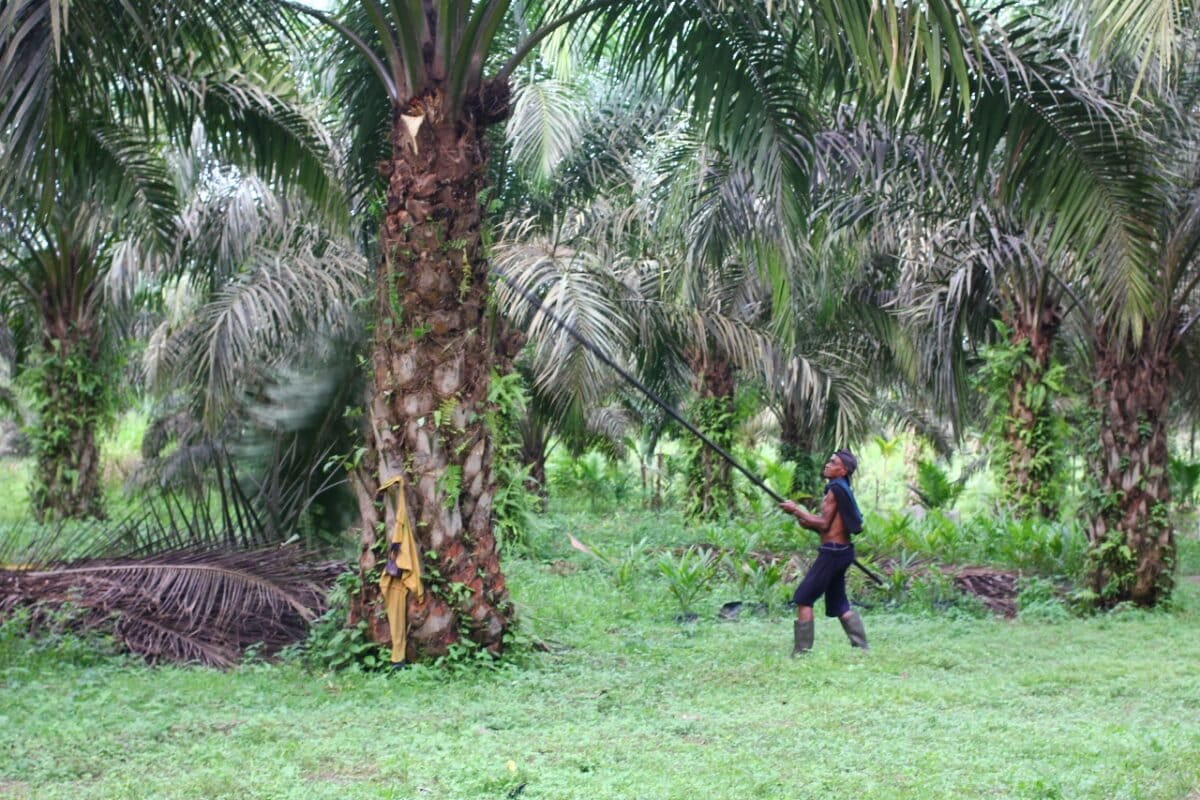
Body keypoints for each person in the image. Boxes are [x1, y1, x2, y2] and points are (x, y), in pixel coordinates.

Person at [778, 449, 869, 654]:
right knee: (839, 603)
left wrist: (796, 510)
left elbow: (824, 522)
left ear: (843, 470)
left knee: (804, 598)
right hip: (842, 551)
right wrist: (805, 521)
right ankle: (862, 647)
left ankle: (801, 653)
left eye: (833, 462)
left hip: (832, 553)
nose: (827, 464)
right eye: (829, 460)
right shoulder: (841, 488)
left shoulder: (835, 490)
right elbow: (828, 527)